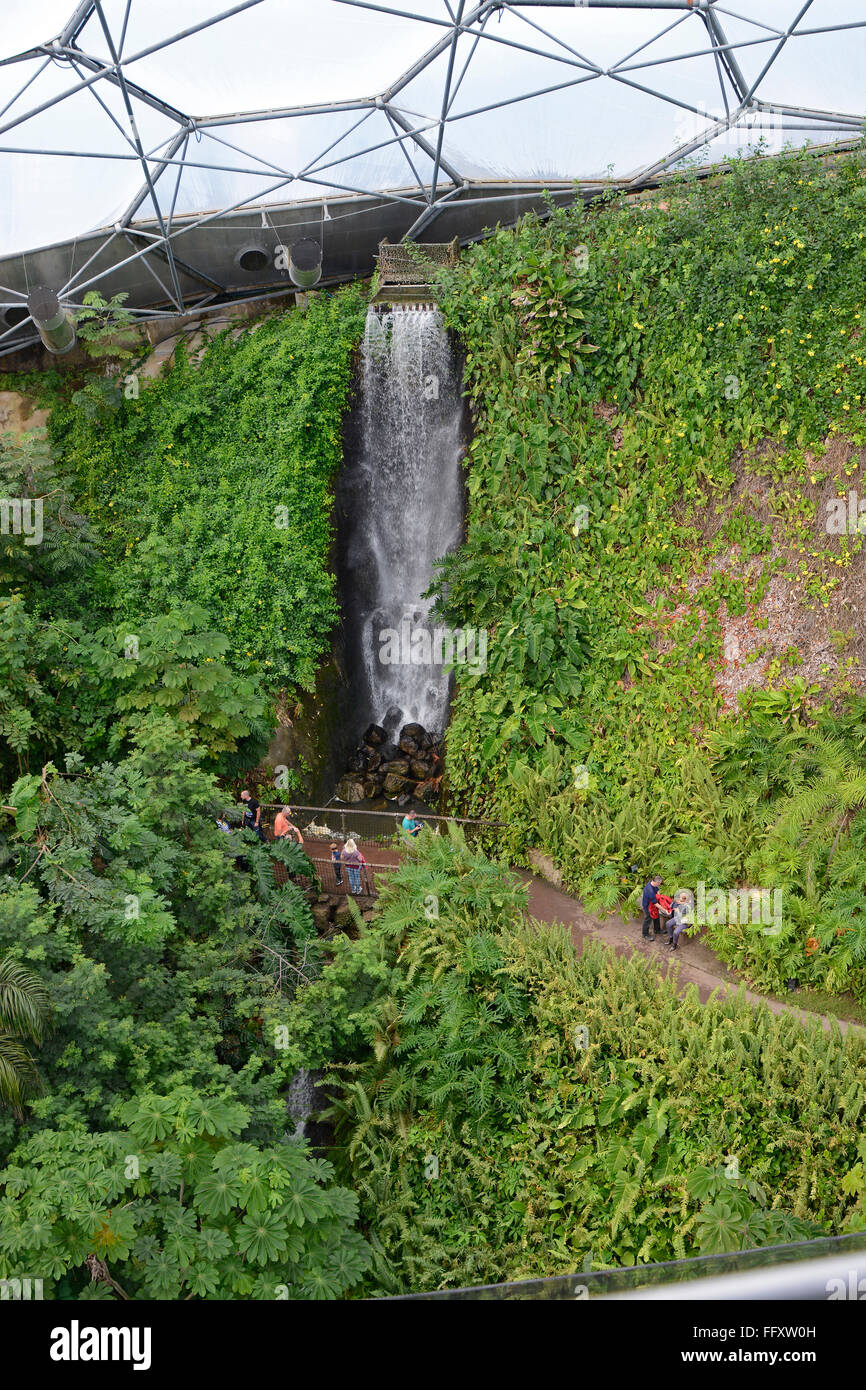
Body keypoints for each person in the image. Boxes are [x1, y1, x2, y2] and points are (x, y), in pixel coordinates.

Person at [641, 875, 664, 939]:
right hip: (648, 906)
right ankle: (645, 934)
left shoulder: (651, 883)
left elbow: (657, 891)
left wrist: (660, 898)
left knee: (656, 916)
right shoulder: (650, 891)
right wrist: (664, 909)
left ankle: (657, 930)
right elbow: (656, 903)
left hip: (653, 905)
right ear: (656, 882)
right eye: (659, 883)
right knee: (648, 919)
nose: (660, 884)